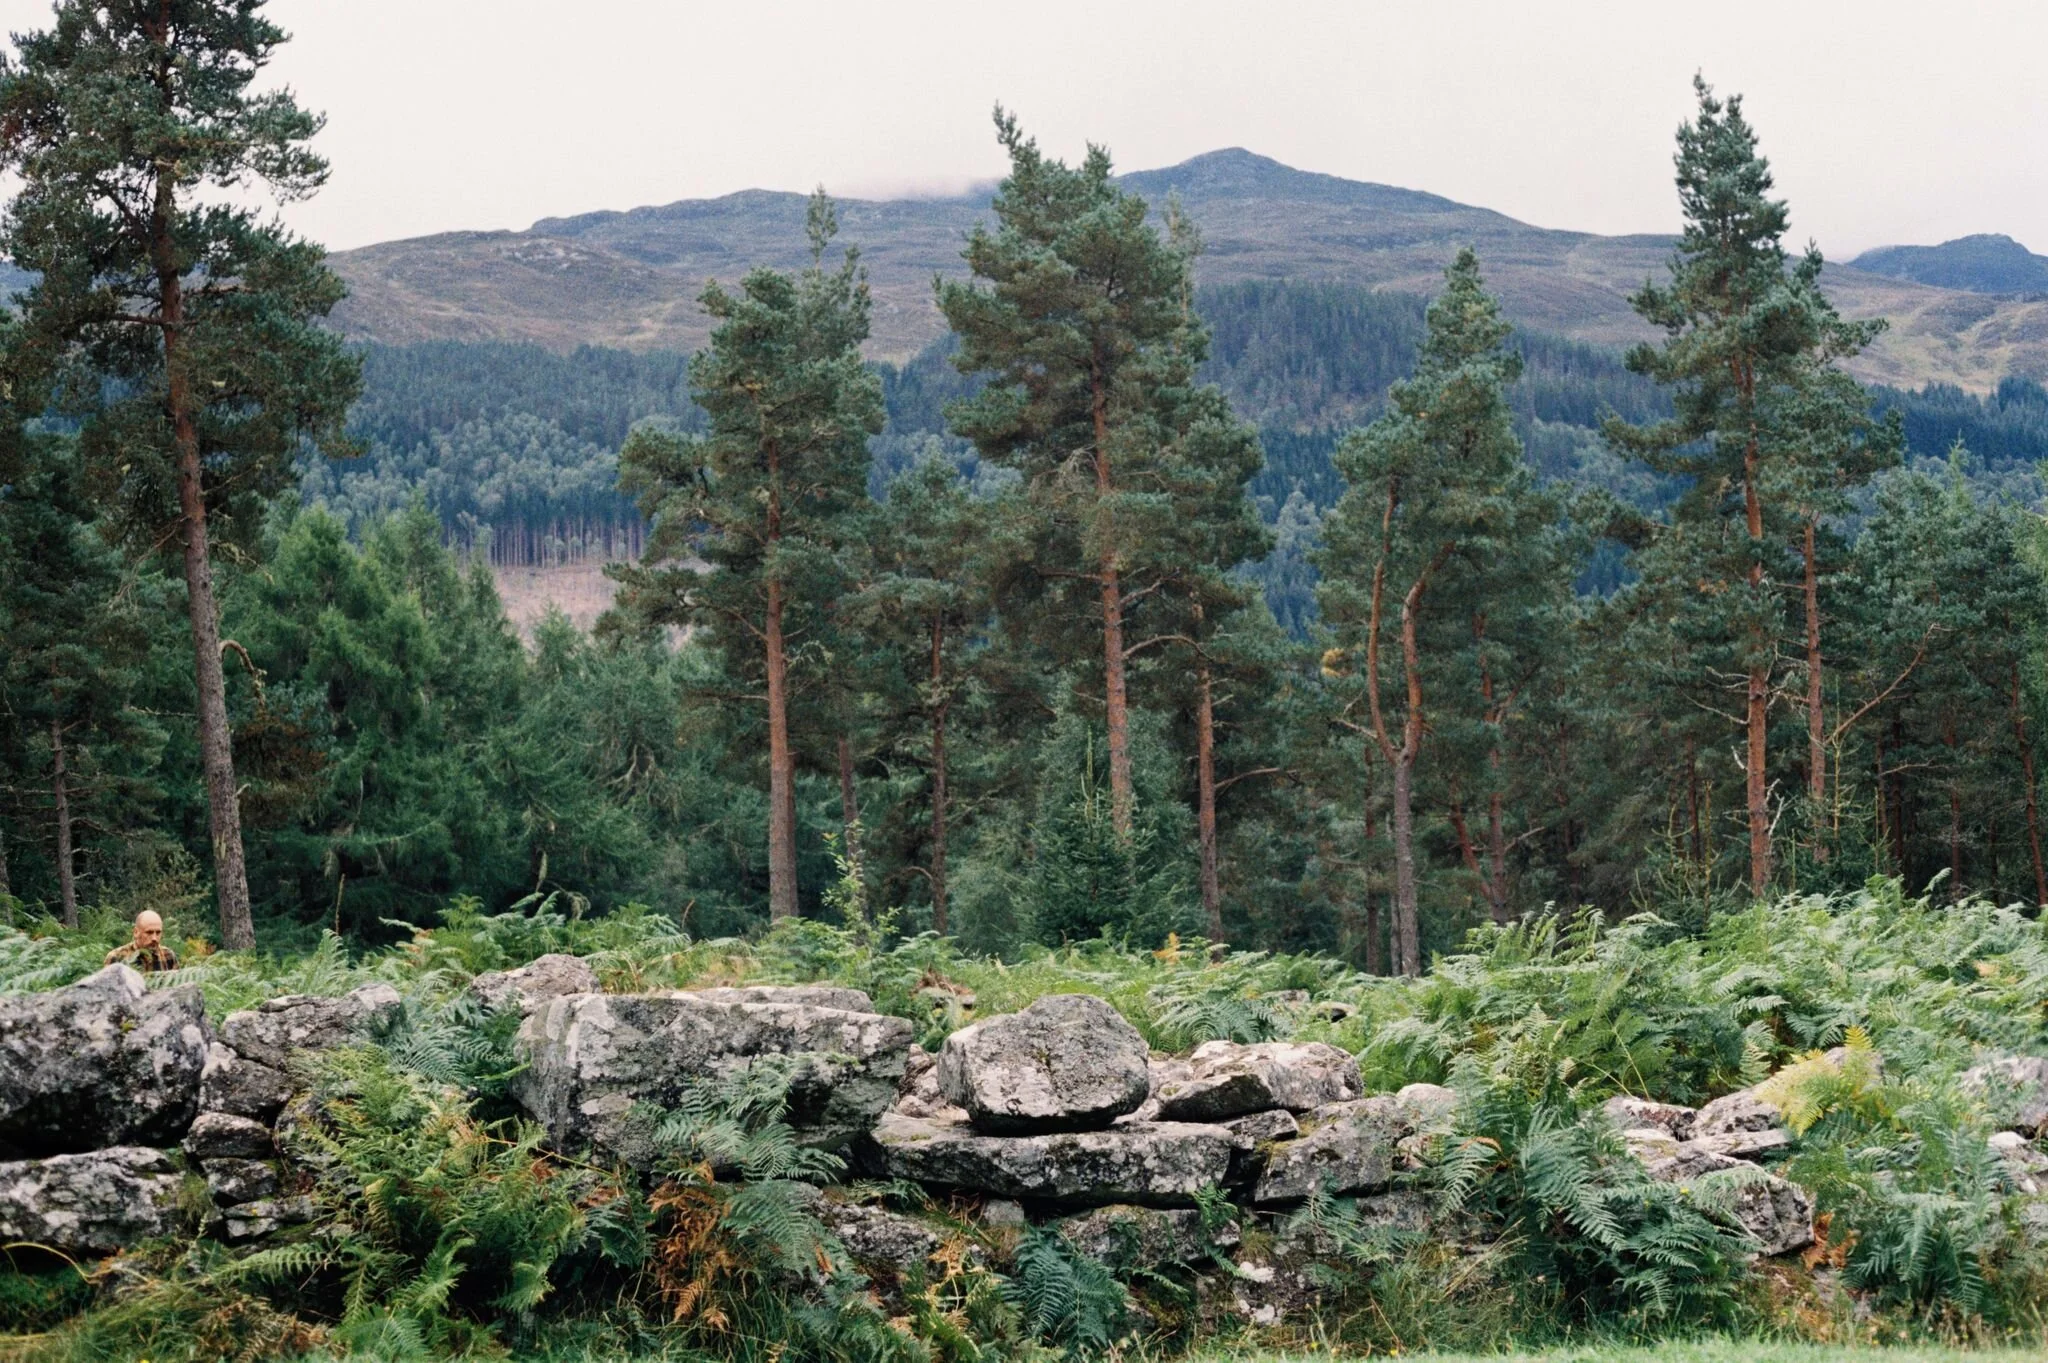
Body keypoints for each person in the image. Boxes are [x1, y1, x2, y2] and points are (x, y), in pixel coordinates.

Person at [105, 910, 179, 974]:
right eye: (149, 932)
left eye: (158, 932)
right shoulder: (116, 957)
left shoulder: (168, 955)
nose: (154, 938)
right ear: (136, 932)